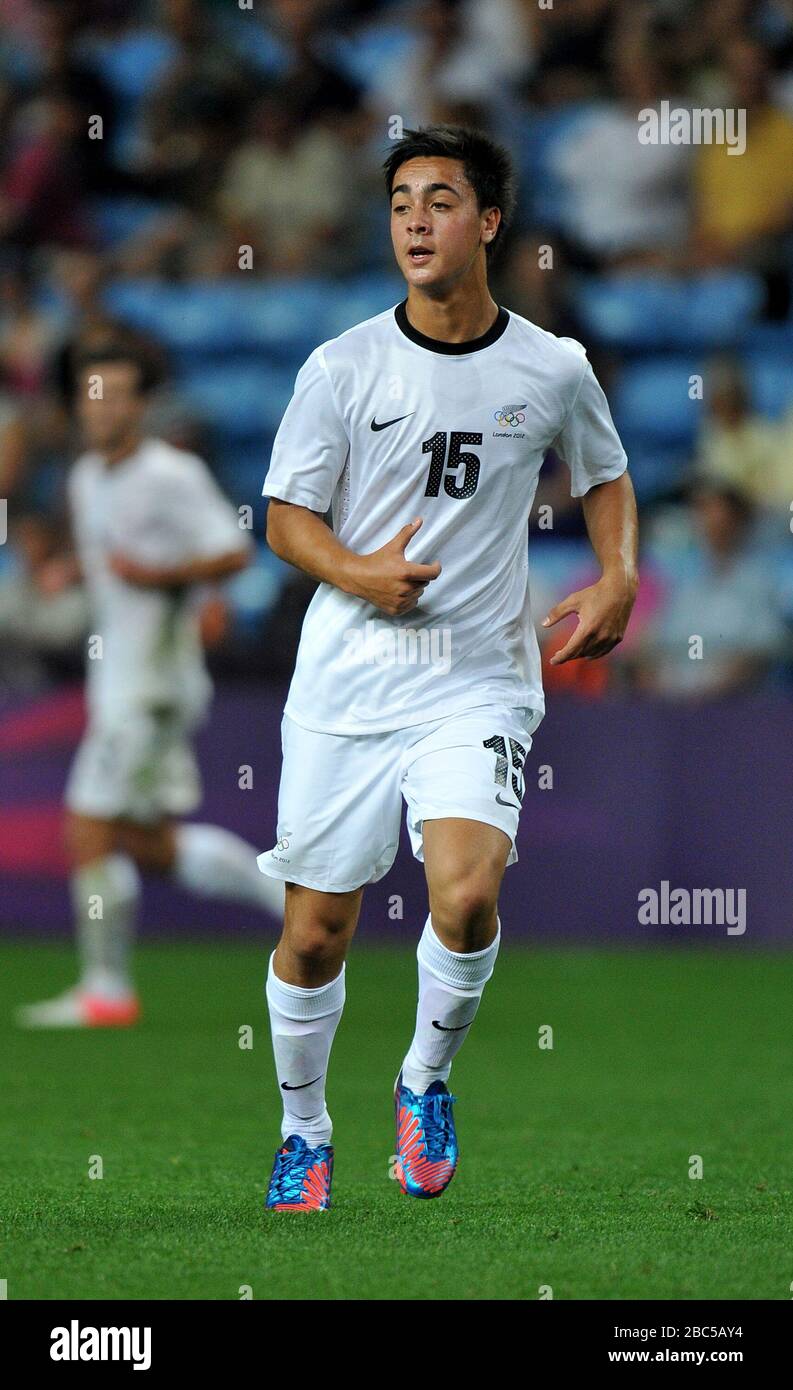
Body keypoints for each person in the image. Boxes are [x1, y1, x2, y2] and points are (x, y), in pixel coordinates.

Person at [258, 125, 638, 1210]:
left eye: (438, 201)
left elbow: (605, 474)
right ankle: (303, 1129)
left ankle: (422, 1080)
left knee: (467, 895)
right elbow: (288, 518)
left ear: (488, 223)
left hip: (476, 678)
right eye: (399, 205)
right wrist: (358, 572)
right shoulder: (342, 365)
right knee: (314, 934)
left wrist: (615, 574)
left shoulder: (551, 365)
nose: (415, 221)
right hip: (346, 684)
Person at [16, 344, 284, 1030]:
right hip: (120, 679)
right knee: (148, 843)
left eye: (117, 395)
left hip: (153, 684)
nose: (102, 407)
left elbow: (233, 550)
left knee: (86, 831)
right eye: (91, 394)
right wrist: (74, 572)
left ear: (140, 406)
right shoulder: (85, 478)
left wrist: (162, 580)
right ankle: (291, 895)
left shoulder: (172, 473)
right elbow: (113, 557)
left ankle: (105, 991)